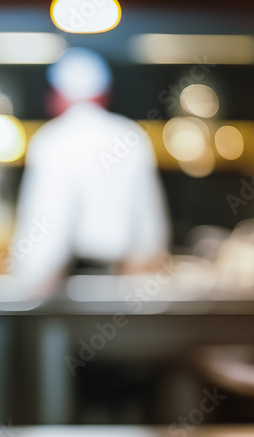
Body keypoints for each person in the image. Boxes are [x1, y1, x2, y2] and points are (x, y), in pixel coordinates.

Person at [9, 47, 170, 297]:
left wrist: (26, 285)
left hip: (63, 287)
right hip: (122, 286)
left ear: (57, 95)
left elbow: (46, 227)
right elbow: (150, 230)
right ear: (105, 94)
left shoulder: (52, 140)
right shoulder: (131, 136)